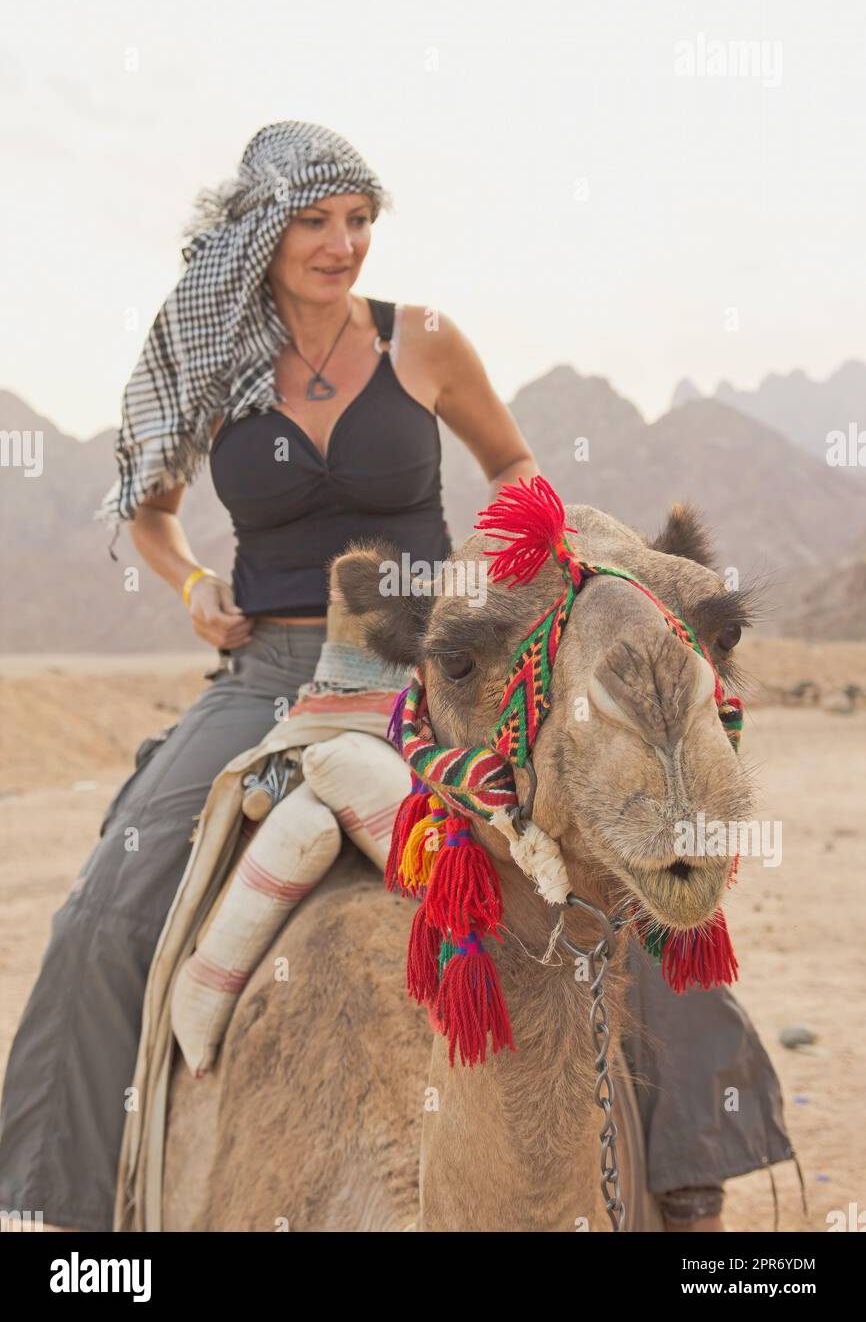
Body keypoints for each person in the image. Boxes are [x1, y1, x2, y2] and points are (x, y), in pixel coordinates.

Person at [0, 120, 793, 1233]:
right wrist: (188, 589)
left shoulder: (420, 339)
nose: (342, 245)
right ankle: (59, 1219)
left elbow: (513, 469)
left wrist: (502, 579)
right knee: (100, 919)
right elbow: (150, 508)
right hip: (268, 668)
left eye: (360, 221)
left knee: (635, 855)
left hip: (436, 665)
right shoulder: (210, 348)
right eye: (316, 223)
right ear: (260, 235)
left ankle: (683, 1178)